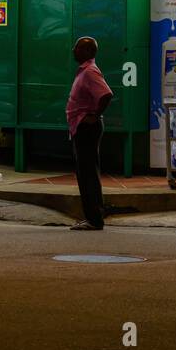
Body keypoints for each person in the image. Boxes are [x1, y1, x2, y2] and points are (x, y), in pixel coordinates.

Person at [66, 36, 113, 230]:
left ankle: (94, 219)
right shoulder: (84, 71)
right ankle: (93, 216)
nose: (73, 50)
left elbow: (106, 94)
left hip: (87, 128)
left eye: (77, 48)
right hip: (81, 127)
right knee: (86, 173)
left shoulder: (90, 72)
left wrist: (94, 114)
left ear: (87, 52)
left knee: (87, 175)